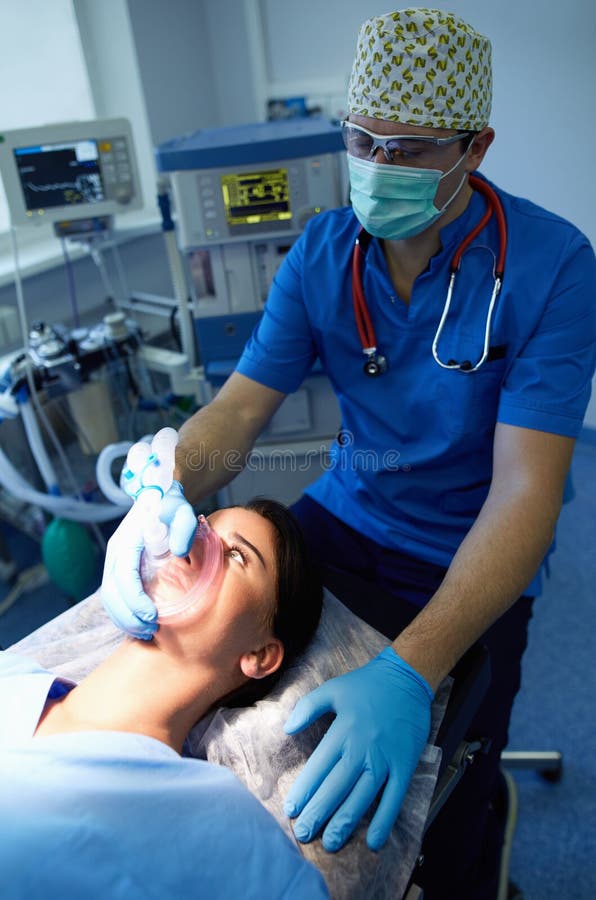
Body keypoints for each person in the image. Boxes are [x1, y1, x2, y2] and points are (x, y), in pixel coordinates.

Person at [101, 8, 596, 899]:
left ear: (474, 148)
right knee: (238, 727)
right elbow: (239, 411)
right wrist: (165, 482)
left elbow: (528, 491)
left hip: (470, 551)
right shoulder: (325, 253)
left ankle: (485, 840)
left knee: (437, 823)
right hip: (340, 518)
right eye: (361, 140)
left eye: (407, 150)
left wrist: (411, 669)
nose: (376, 167)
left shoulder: (553, 265)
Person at [0, 500, 328, 900]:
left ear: (259, 656)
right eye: (199, 528)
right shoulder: (10, 675)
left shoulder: (217, 819)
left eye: (236, 555)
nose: (193, 544)